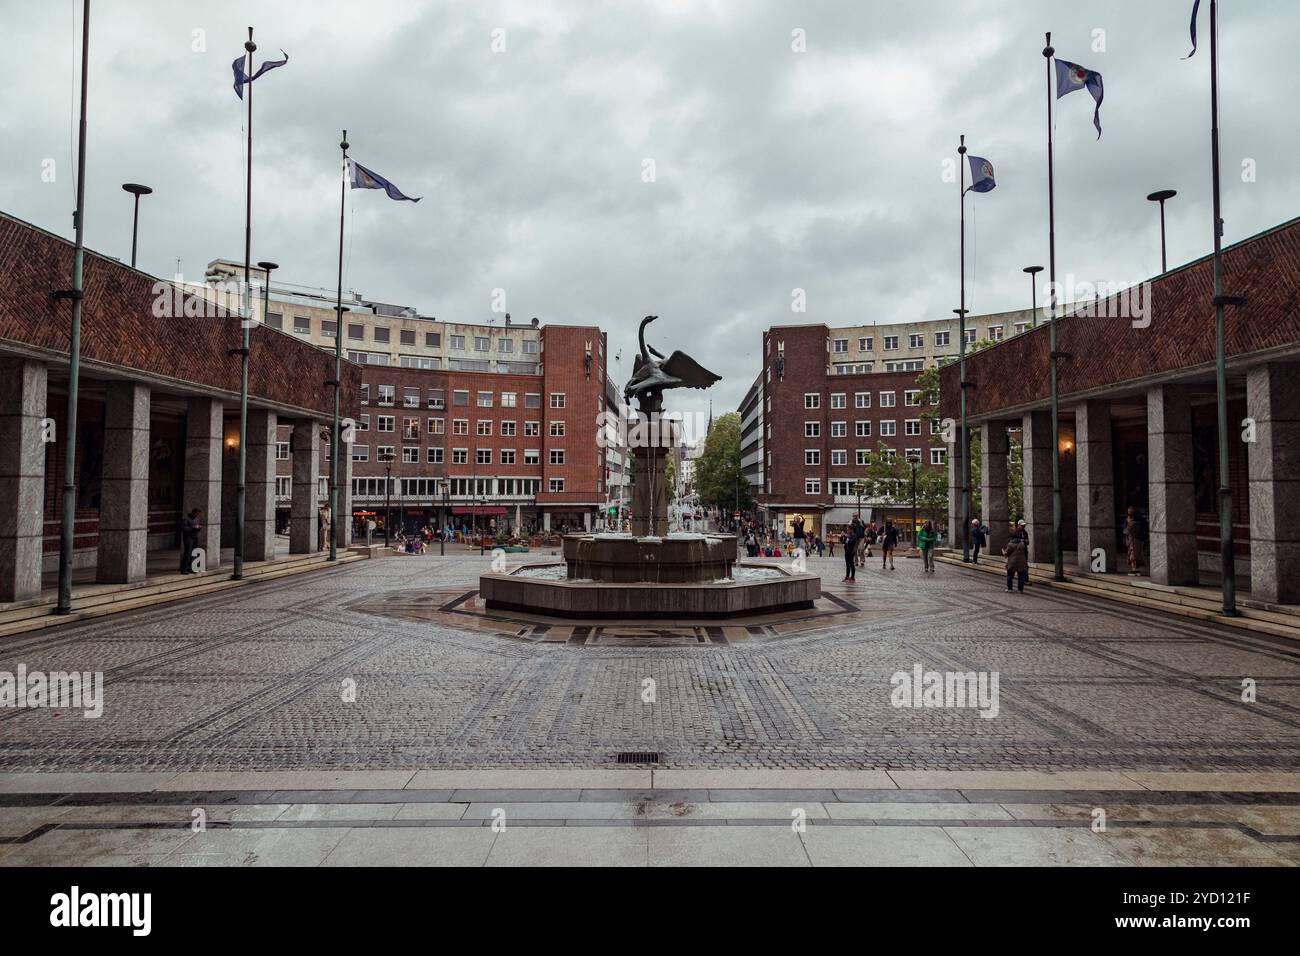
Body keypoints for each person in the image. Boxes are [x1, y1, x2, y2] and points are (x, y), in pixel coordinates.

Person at [1123, 506, 1146, 576]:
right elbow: (1124, 530)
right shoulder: (1126, 519)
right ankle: (1134, 569)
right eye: (1129, 509)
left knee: (1135, 555)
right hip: (1130, 540)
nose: (1129, 510)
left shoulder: (1139, 520)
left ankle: (1136, 569)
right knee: (1131, 554)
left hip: (1136, 539)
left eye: (1131, 509)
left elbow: (1143, 530)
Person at [180, 508, 202, 574]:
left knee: (193, 553)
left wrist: (199, 527)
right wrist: (193, 527)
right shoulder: (186, 518)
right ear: (193, 512)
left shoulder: (197, 518)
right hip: (188, 537)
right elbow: (183, 528)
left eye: (198, 514)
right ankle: (184, 569)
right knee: (187, 553)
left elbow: (198, 526)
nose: (197, 515)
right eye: (196, 514)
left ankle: (190, 568)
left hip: (195, 536)